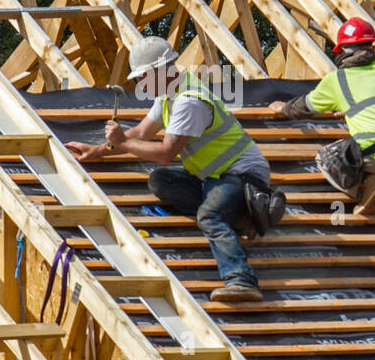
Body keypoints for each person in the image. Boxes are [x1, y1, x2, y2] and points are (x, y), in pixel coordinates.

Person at [66, 37, 277, 303]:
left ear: (160, 72)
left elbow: (166, 153)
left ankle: (241, 280)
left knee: (209, 217)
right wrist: (96, 150)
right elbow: (142, 132)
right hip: (211, 177)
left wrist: (124, 142)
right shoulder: (169, 94)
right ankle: (237, 213)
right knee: (160, 181)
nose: (140, 84)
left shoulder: (189, 101)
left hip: (241, 174)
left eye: (143, 77)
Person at [269, 17, 375, 216]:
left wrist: (283, 108)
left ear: (343, 50)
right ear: (371, 44)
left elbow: (304, 106)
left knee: (326, 157)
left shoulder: (337, 79)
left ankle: (369, 188)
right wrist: (352, 109)